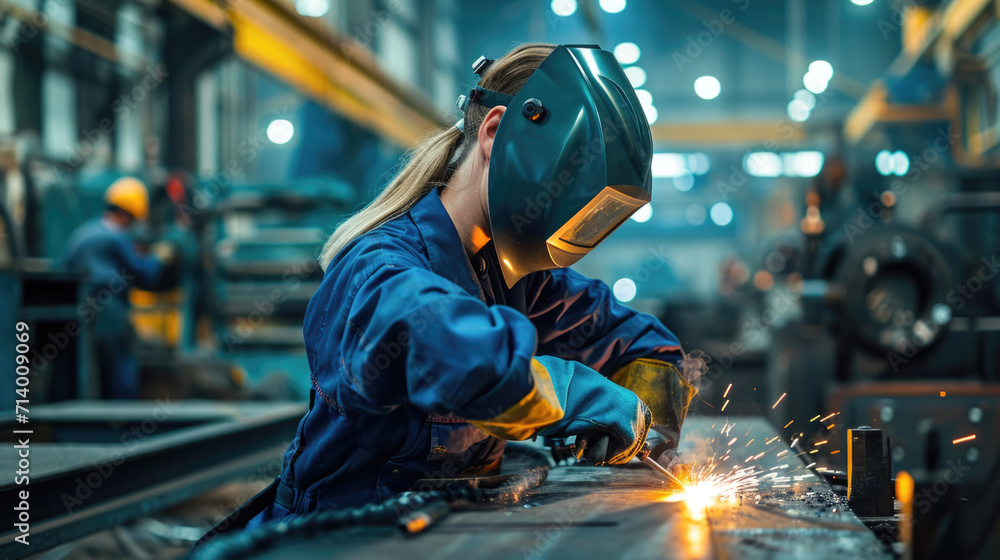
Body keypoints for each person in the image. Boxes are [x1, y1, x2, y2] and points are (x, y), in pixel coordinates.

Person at [214, 42, 698, 535]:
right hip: (337, 540)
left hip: (446, 534)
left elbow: (646, 345)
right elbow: (447, 345)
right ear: (494, 133)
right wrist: (564, 390)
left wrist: (648, 432)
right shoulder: (378, 269)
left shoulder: (519, 279)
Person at [60, 176, 175, 399]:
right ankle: (121, 418)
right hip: (110, 312)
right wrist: (160, 258)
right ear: (125, 215)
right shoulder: (115, 237)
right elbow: (143, 273)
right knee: (122, 364)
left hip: (76, 313)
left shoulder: (83, 233)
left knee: (88, 369)